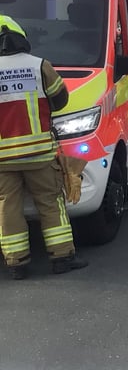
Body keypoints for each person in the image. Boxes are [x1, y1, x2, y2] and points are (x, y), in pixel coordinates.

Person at [0, 15, 88, 280]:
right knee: (51, 203)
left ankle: (17, 264)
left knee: (7, 208)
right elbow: (60, 100)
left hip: (2, 158)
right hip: (39, 154)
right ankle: (62, 258)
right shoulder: (39, 66)